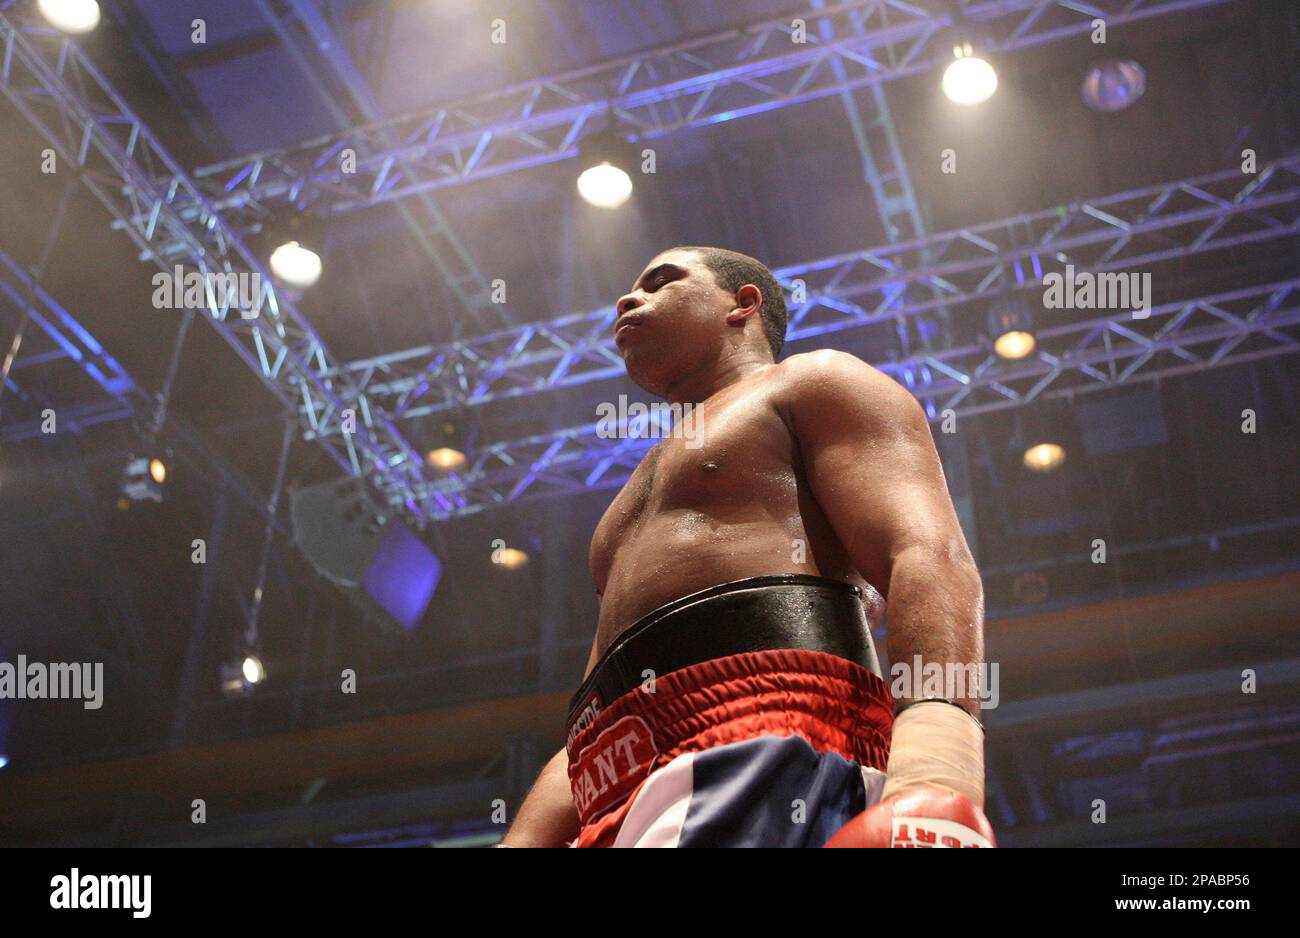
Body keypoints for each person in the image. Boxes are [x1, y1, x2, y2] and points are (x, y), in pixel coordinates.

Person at [501, 246, 993, 848]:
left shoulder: (815, 381)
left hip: (771, 730)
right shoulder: (624, 507)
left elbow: (926, 554)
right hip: (611, 782)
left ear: (743, 304)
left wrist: (938, 769)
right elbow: (599, 705)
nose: (629, 300)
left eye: (662, 282)